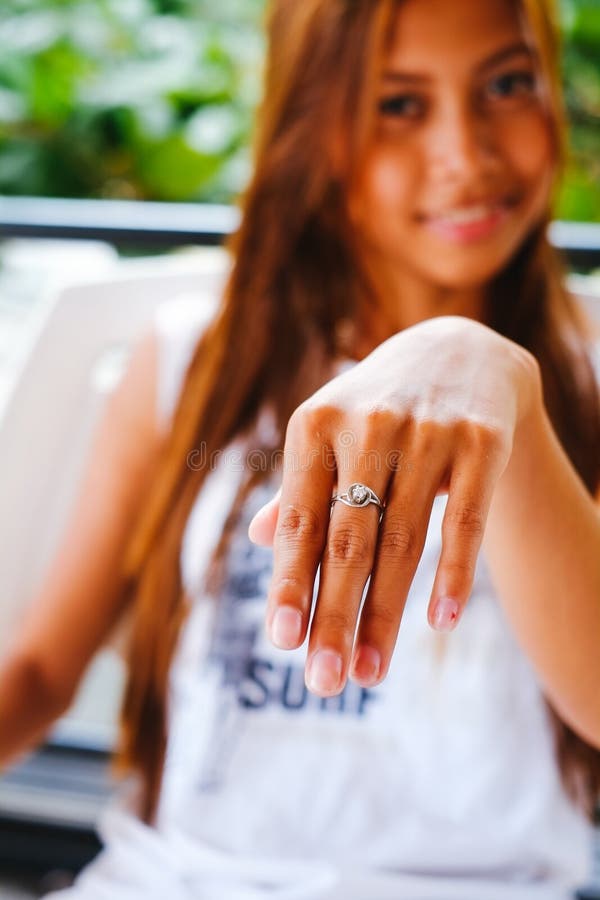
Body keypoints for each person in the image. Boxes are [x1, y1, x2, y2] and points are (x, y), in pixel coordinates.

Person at [1, 0, 599, 897]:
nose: (466, 156)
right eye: (398, 104)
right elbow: (43, 672)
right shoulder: (193, 362)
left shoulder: (585, 378)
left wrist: (499, 377)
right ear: (311, 123)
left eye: (508, 85)